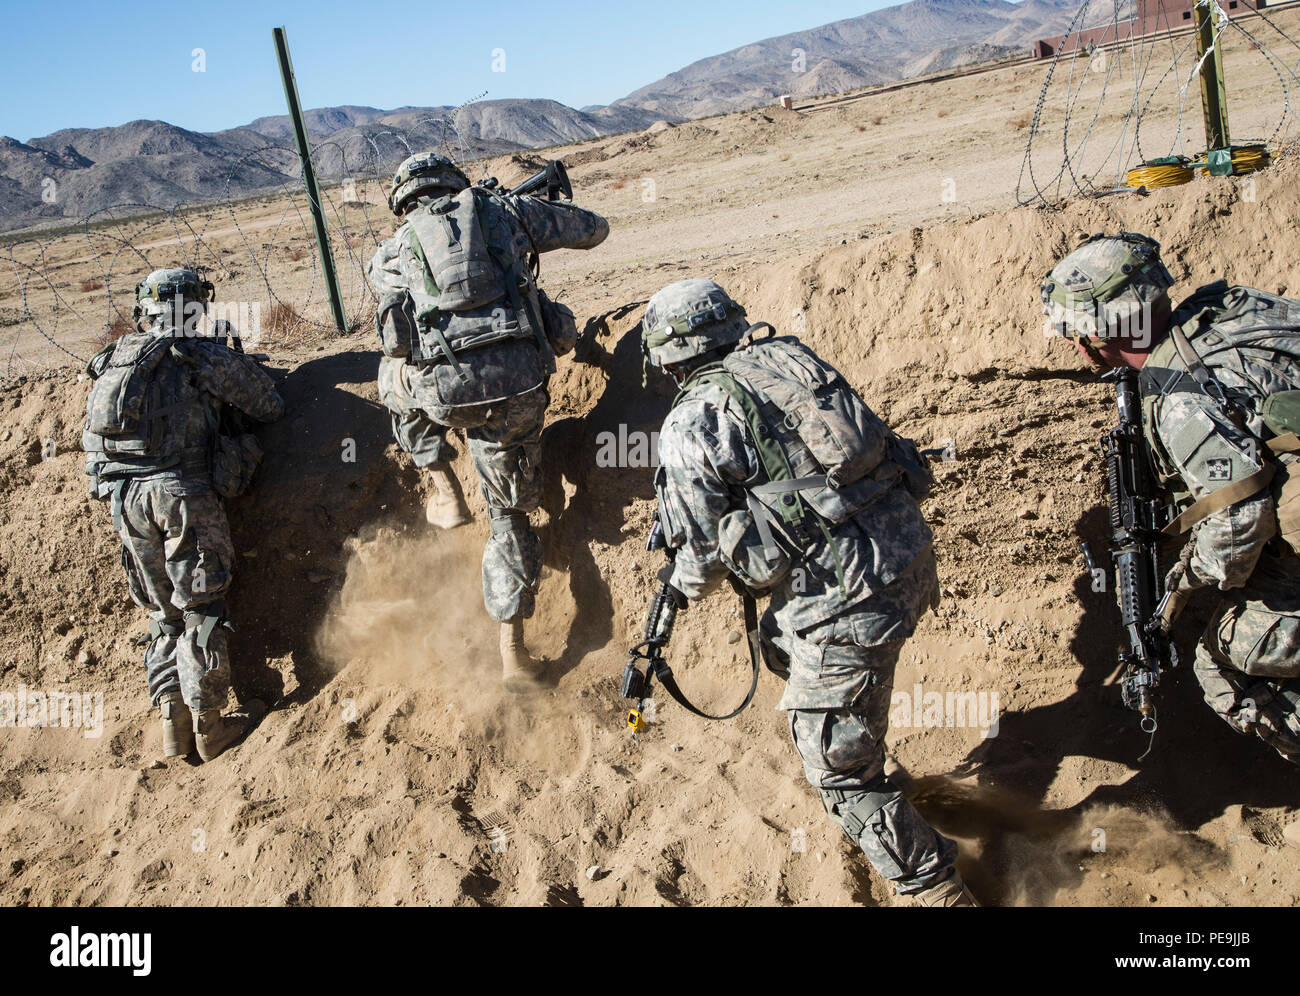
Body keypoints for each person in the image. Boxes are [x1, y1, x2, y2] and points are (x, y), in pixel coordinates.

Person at [639, 278, 975, 906]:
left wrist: (677, 587)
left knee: (840, 777)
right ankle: (867, 752)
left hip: (847, 600)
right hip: (905, 555)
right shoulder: (790, 357)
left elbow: (704, 557)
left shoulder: (691, 418)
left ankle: (939, 894)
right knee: (783, 645)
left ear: (669, 354)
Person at [1043, 232, 1300, 762]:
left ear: (1097, 333)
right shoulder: (1233, 312)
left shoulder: (1183, 401)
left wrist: (1180, 591)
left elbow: (1239, 521)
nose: (1072, 344)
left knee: (1220, 662)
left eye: (1075, 331)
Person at [368, 152, 608, 690]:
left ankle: (441, 479)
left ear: (403, 202)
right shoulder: (506, 210)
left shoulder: (391, 252)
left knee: (389, 375)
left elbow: (396, 336)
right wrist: (523, 221)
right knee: (508, 519)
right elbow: (595, 230)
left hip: (444, 396)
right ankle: (513, 654)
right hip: (518, 384)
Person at [82, 268, 284, 761]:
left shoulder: (114, 360)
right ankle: (210, 726)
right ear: (197, 306)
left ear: (144, 309)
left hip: (125, 500)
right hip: (183, 497)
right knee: (203, 609)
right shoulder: (197, 355)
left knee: (163, 614)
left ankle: (173, 723)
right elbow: (269, 405)